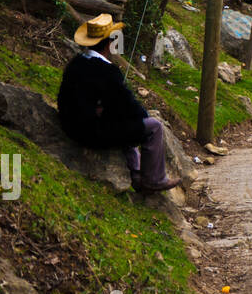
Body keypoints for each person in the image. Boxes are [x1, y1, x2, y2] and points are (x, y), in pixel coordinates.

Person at [57, 14, 181, 193]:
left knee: (120, 121)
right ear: (109, 44)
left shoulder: (76, 63)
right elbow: (128, 106)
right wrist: (142, 116)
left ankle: (136, 174)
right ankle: (153, 179)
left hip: (70, 125)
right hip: (90, 133)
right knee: (153, 126)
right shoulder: (107, 72)